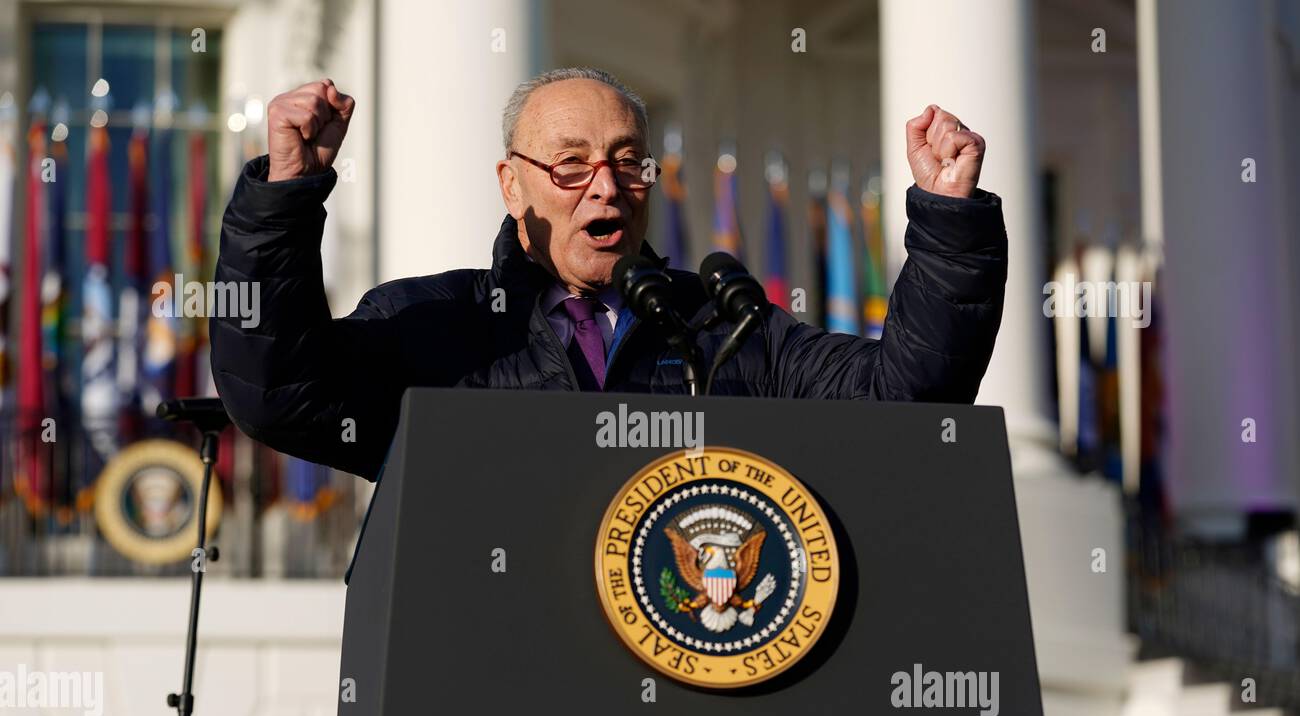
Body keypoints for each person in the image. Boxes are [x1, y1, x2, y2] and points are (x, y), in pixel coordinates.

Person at [211, 67, 1007, 481]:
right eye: (570, 165)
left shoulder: (725, 331)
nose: (605, 186)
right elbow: (279, 396)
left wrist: (948, 221)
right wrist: (284, 202)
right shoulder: (441, 325)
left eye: (630, 163)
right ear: (510, 182)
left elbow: (908, 403)